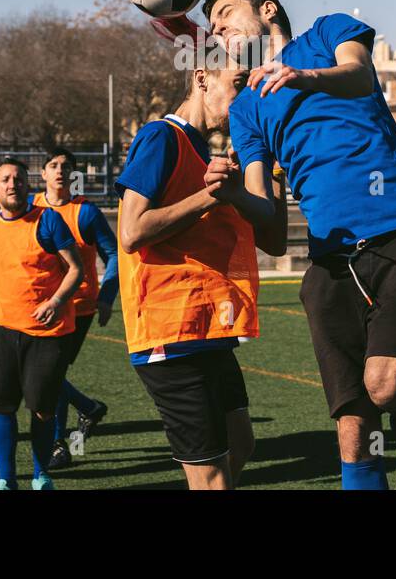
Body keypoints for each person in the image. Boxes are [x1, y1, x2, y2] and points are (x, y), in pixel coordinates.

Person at [204, 0, 396, 490]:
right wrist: (229, 195)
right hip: (330, 265)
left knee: (384, 388)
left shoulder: (327, 33)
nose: (218, 29)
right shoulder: (245, 110)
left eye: (225, 14)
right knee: (354, 432)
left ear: (267, 9)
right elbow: (268, 226)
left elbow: (360, 76)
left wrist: (303, 77)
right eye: (211, 27)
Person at [115, 62, 287, 489]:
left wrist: (271, 171)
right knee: (211, 478)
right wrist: (209, 197)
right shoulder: (161, 137)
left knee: (240, 444)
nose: (244, 96)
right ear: (201, 77)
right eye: (237, 82)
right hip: (169, 332)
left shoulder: (212, 156)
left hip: (208, 330)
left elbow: (275, 242)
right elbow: (132, 232)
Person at [0, 159, 83, 490]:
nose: (13, 184)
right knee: (0, 406)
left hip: (47, 334)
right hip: (3, 329)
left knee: (41, 409)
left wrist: (55, 302)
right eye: (5, 180)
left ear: (27, 185)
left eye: (19, 179)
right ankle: (5, 480)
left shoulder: (48, 220)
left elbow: (76, 269)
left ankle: (41, 475)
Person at [31, 148, 119, 471]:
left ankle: (58, 446)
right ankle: (88, 408)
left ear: (73, 174)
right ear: (42, 174)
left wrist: (107, 296)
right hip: (37, 306)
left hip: (77, 307)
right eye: (52, 165)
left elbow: (114, 255)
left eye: (65, 166)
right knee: (42, 373)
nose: (59, 171)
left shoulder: (85, 213)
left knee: (51, 374)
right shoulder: (32, 210)